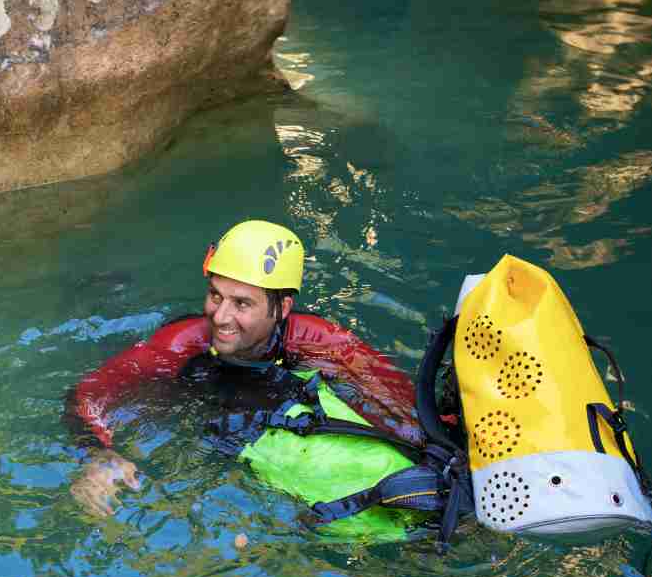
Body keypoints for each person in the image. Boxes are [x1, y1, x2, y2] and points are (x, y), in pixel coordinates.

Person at [68, 219, 423, 518]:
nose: (220, 317)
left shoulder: (323, 344)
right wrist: (97, 453)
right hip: (186, 389)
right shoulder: (182, 343)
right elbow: (85, 394)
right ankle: (99, 297)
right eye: (215, 295)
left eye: (242, 303)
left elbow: (405, 411)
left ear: (282, 307)